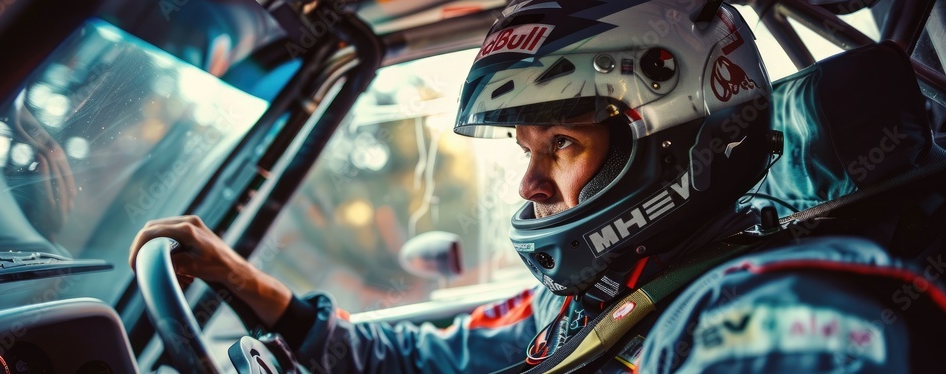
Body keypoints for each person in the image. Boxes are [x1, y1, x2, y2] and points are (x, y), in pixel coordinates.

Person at [130, 0, 946, 372]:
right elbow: (418, 359)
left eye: (559, 143)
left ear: (671, 141)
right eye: (524, 146)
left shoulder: (765, 308)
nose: (528, 183)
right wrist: (244, 282)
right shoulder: (586, 297)